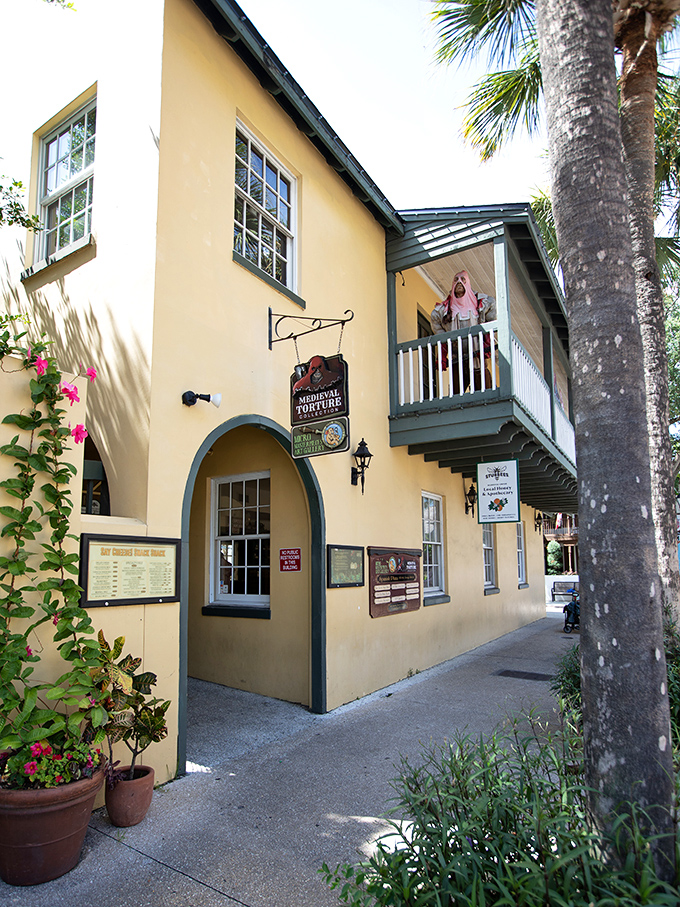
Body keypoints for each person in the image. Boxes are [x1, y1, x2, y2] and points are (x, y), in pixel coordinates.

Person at [430, 270, 497, 392]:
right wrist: (444, 339)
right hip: (457, 356)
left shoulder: (480, 303)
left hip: (477, 356)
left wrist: (486, 333)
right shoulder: (444, 309)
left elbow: (492, 311)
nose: (459, 282)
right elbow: (435, 321)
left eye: (463, 279)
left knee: (484, 388)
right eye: (456, 280)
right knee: (456, 392)